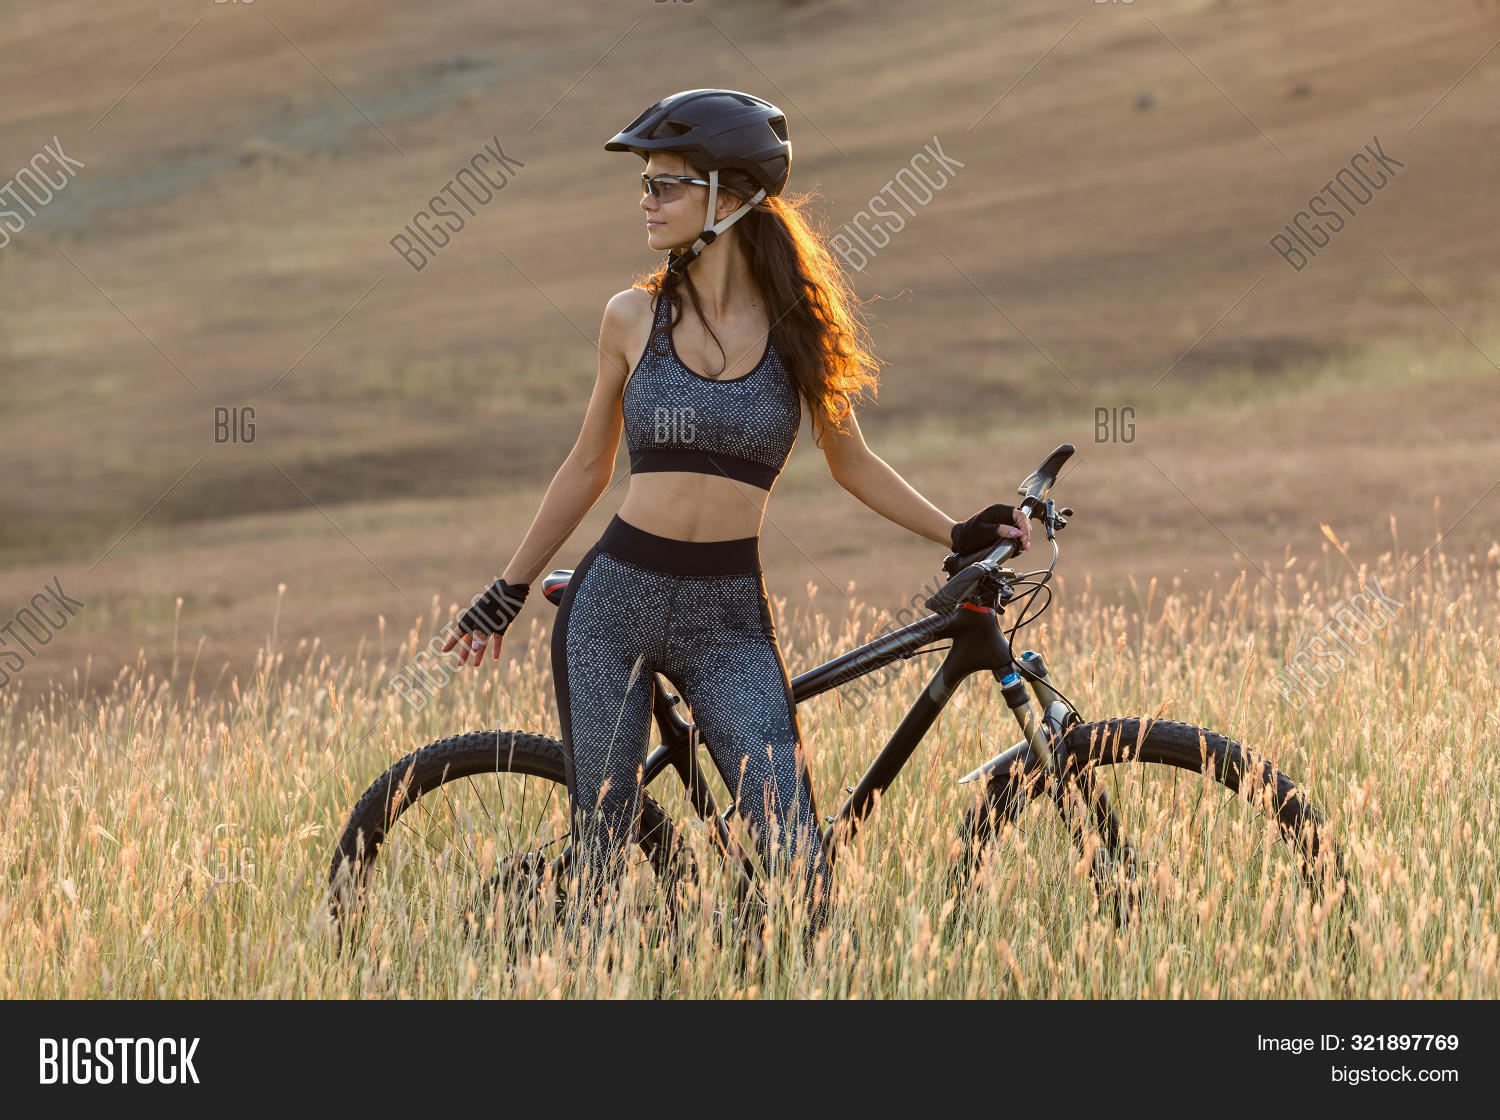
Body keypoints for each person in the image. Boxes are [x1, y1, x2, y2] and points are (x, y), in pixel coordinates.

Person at [441, 88, 1030, 945]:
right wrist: (507, 586)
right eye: (643, 184)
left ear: (730, 196)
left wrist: (956, 532)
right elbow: (586, 466)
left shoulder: (798, 332)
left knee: (797, 868)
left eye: (665, 185)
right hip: (614, 604)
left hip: (727, 619)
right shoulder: (630, 318)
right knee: (597, 864)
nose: (646, 201)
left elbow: (850, 461)